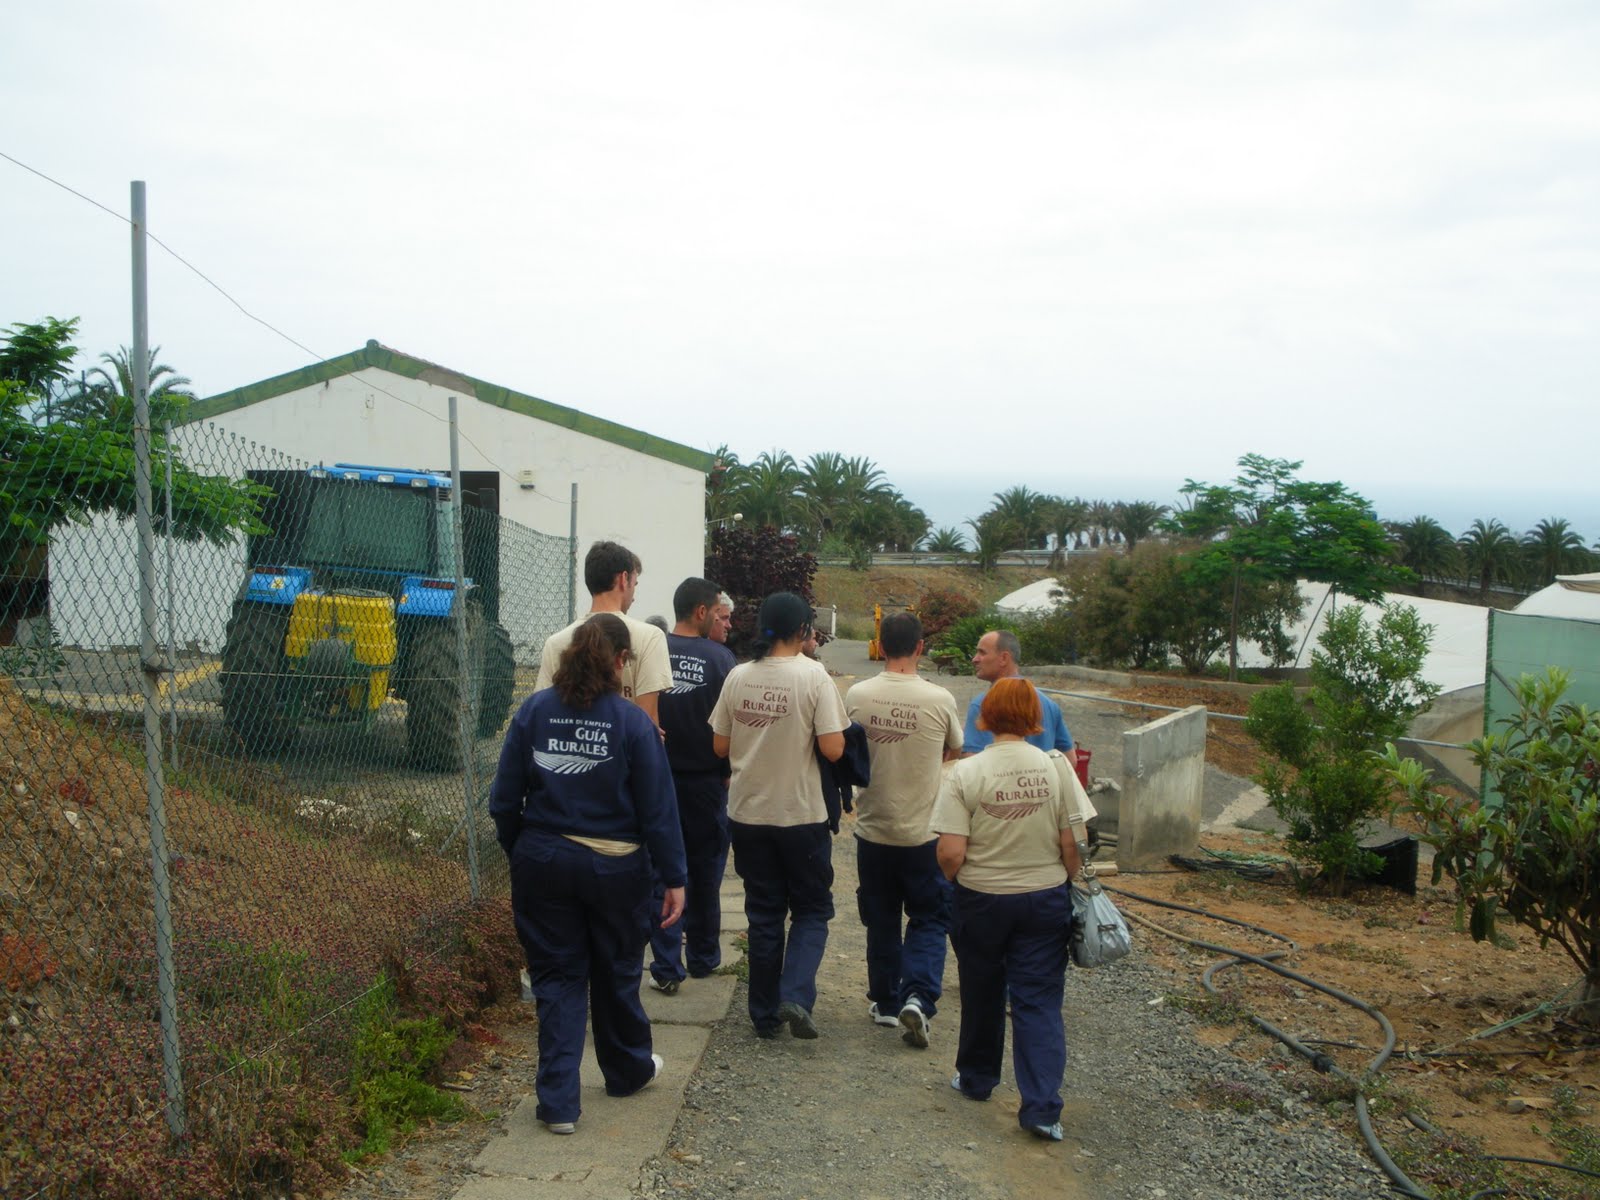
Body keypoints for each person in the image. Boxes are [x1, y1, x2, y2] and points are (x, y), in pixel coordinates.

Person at [490, 614, 687, 1136]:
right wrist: (674, 877)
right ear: (622, 662)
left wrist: (522, 849)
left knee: (556, 978)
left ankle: (558, 1103)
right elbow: (658, 810)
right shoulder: (632, 723)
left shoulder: (534, 711)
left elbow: (504, 799)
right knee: (618, 970)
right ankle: (626, 1071)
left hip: (543, 861)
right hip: (615, 868)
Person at [933, 677, 1083, 1142]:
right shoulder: (1056, 766)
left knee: (982, 988)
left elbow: (950, 852)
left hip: (981, 897)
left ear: (985, 717)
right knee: (1038, 999)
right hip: (1043, 898)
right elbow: (1073, 843)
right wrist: (1061, 880)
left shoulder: (965, 773)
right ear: (1035, 720)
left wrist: (963, 883)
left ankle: (977, 1079)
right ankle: (1041, 1108)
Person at [710, 591, 849, 1039]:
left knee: (764, 912)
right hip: (801, 813)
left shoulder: (738, 676)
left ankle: (764, 1013)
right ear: (804, 630)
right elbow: (833, 747)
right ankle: (795, 994)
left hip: (748, 813)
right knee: (811, 908)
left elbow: (719, 746)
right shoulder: (814, 677)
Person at [843, 611, 962, 1047]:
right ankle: (919, 996)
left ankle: (887, 1003)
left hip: (874, 828)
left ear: (881, 644)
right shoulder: (939, 699)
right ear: (919, 647)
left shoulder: (858, 693)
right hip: (923, 831)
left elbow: (843, 745)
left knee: (881, 917)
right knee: (930, 917)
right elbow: (954, 749)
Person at [648, 577, 737, 993]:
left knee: (663, 870)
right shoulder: (721, 660)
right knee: (704, 870)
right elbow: (732, 727)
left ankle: (666, 964)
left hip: (657, 780)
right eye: (716, 610)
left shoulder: (652, 650)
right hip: (705, 782)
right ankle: (702, 956)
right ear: (702, 612)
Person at [536, 541, 673, 725]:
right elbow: (648, 720)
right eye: (635, 584)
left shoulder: (555, 642)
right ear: (624, 579)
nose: (634, 596)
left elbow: (544, 711)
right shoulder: (650, 637)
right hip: (624, 751)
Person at [961, 630, 1074, 756]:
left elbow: (972, 760)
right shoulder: (1049, 704)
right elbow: (1070, 759)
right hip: (1041, 775)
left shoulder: (984, 704)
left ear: (1004, 658)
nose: (975, 659)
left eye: (982, 652)